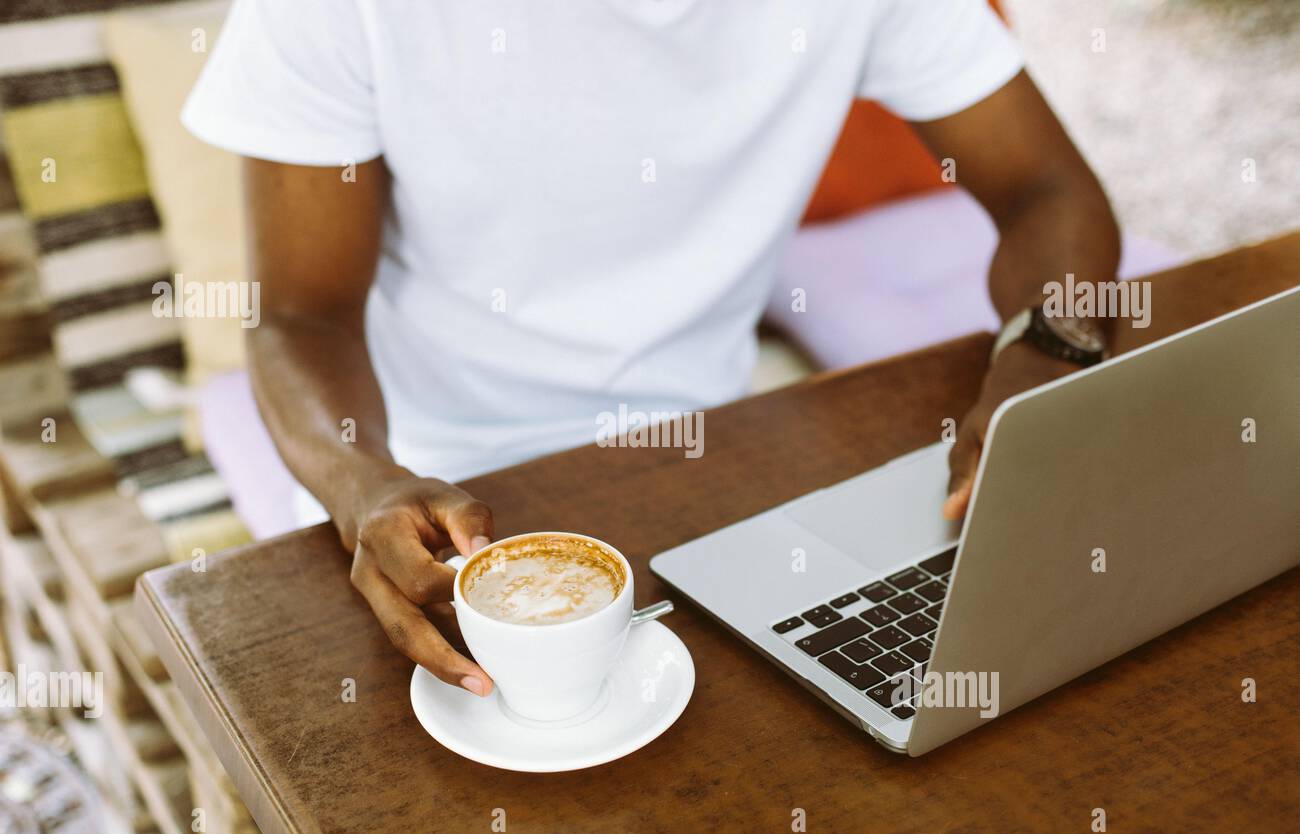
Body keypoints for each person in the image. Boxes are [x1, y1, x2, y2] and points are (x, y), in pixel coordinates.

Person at [183, 0, 1121, 698]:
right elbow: (298, 314)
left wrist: (1044, 363)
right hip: (430, 494)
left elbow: (1046, 187)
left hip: (713, 456)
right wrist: (360, 484)